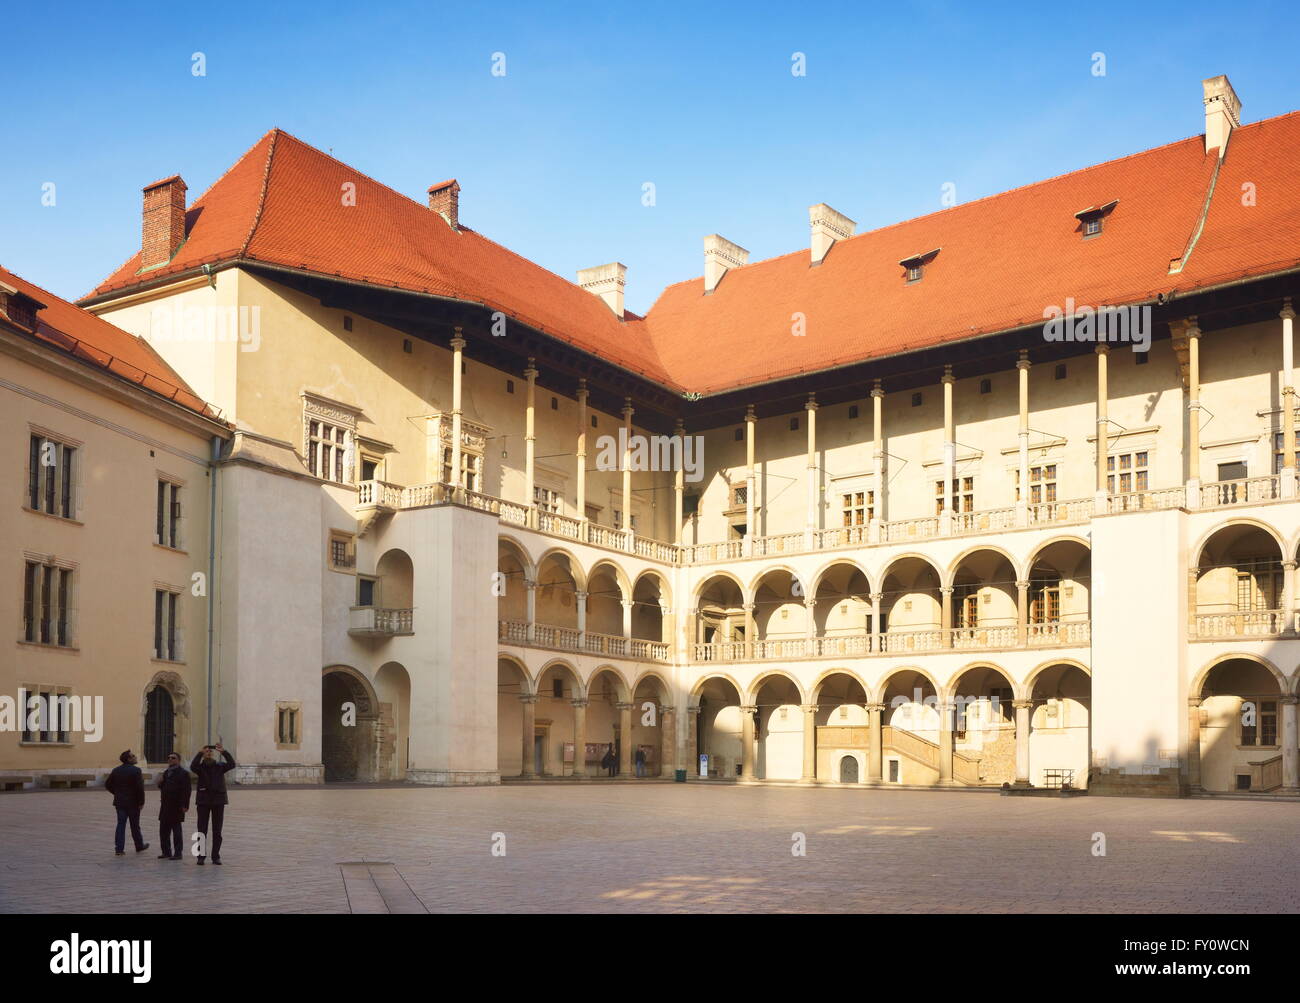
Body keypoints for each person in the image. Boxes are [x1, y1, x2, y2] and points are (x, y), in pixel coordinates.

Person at [190, 743, 236, 865]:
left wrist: (224, 752)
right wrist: (199, 753)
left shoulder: (220, 766)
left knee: (217, 830)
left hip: (218, 801)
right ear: (204, 754)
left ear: (214, 754)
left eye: (210, 752)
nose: (209, 753)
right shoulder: (200, 767)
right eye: (206, 752)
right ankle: (201, 856)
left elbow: (232, 764)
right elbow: (192, 766)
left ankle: (215, 856)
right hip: (203, 801)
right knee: (201, 830)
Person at [105, 750, 149, 856]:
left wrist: (116, 793)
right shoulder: (136, 770)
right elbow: (139, 788)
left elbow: (107, 784)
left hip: (120, 802)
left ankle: (119, 849)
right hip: (133, 802)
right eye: (133, 756)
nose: (135, 757)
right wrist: (141, 801)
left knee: (121, 825)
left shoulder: (116, 770)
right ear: (129, 759)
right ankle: (139, 845)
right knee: (135, 825)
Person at [156, 752, 190, 861]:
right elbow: (162, 787)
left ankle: (178, 853)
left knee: (176, 831)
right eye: (169, 757)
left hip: (177, 806)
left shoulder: (183, 773)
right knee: (163, 830)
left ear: (178, 760)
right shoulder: (166, 772)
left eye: (173, 758)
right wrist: (160, 783)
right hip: (165, 805)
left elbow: (186, 790)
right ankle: (166, 852)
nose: (170, 759)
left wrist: (185, 805)